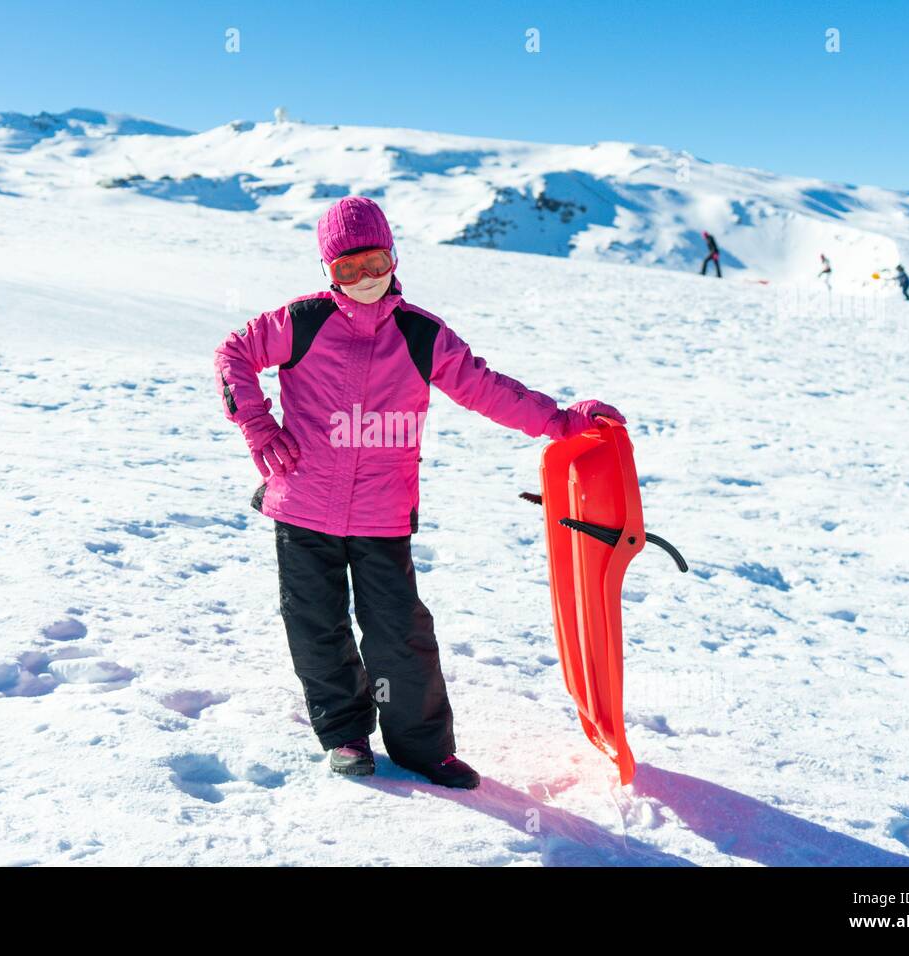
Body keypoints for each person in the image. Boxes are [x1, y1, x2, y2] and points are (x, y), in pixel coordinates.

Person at [213, 196, 624, 789]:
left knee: (399, 633)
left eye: (375, 263)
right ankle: (345, 735)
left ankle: (423, 749)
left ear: (393, 257)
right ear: (328, 271)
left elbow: (487, 389)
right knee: (316, 626)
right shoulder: (301, 322)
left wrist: (561, 420)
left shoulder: (420, 334)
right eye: (347, 269)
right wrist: (257, 423)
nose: (364, 279)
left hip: (381, 512)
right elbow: (233, 352)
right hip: (302, 506)